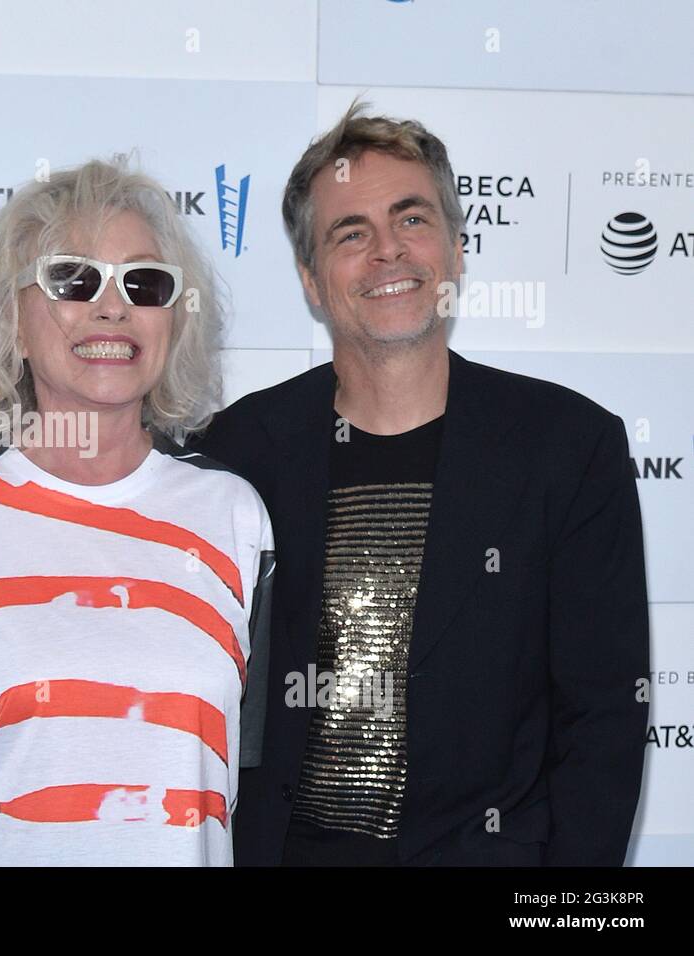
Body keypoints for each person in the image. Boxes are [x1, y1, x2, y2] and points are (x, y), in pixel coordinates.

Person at [194, 102, 649, 866]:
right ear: (311, 278)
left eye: (411, 220)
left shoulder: (568, 447)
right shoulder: (243, 450)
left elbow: (603, 720)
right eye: (350, 233)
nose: (387, 253)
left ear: (457, 249)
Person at [0, 158, 275, 866]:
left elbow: (232, 776)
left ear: (174, 322)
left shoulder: (235, 515)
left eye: (144, 284)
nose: (112, 307)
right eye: (73, 279)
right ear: (13, 321)